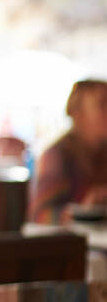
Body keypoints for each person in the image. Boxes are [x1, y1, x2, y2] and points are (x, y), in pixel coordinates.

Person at [29, 79, 107, 224]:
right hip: (74, 245)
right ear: (78, 114)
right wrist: (83, 211)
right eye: (102, 104)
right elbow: (39, 215)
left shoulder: (103, 152)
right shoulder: (57, 155)